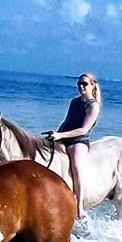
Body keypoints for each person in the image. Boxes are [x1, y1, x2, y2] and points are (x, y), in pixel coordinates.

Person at [44, 73, 100, 214]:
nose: (81, 86)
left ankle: (79, 206)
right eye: (79, 83)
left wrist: (61, 135)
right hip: (64, 136)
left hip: (79, 141)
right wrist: (55, 135)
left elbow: (83, 129)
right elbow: (67, 122)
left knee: (76, 168)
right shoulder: (74, 102)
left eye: (84, 83)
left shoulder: (93, 106)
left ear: (92, 85)